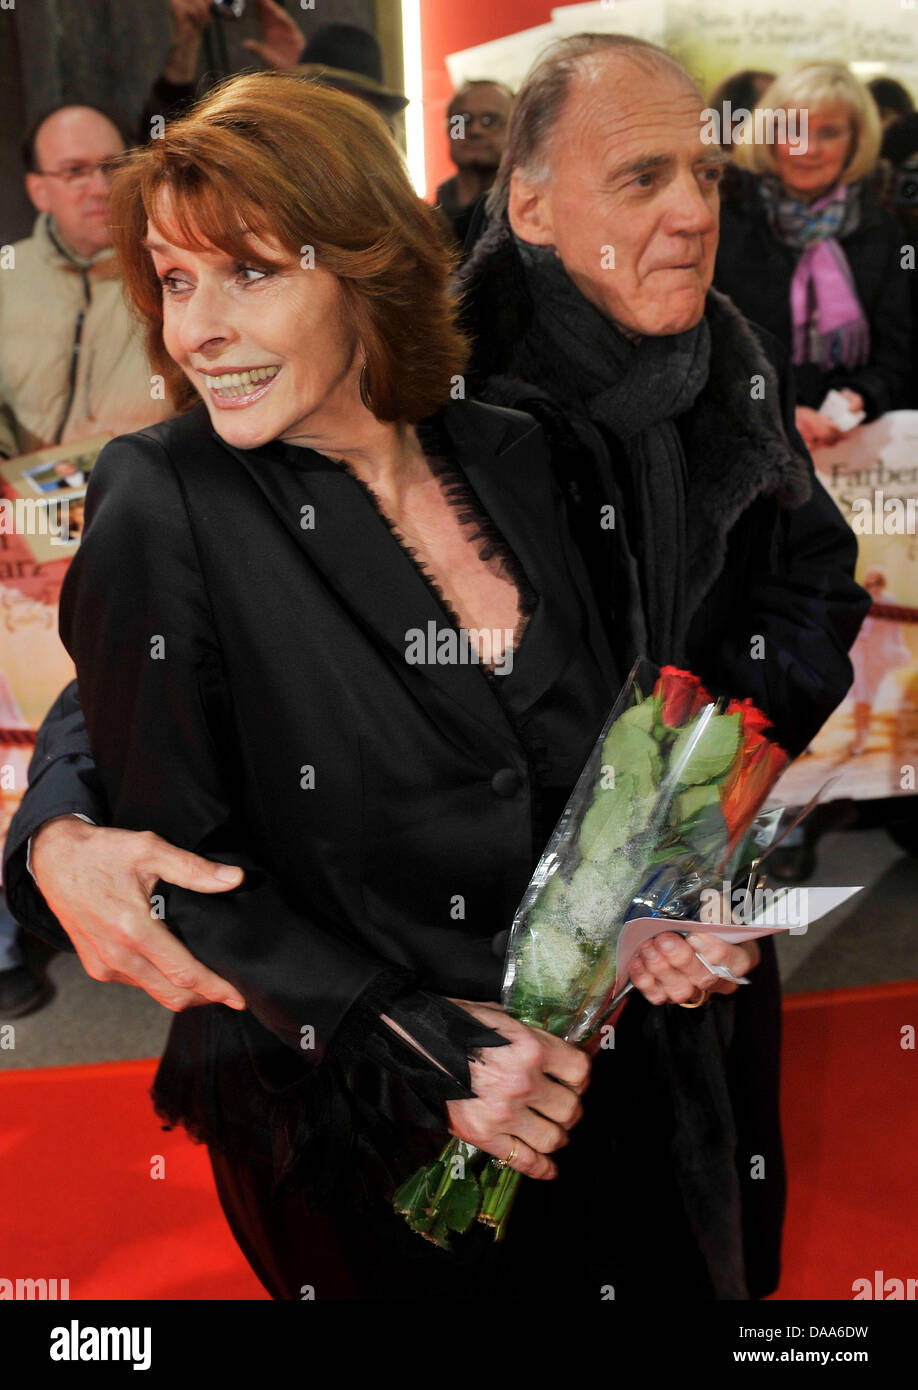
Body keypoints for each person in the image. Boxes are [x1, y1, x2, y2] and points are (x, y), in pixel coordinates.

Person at [5, 38, 869, 1300]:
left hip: (638, 1032)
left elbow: (802, 594)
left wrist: (685, 837)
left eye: (704, 176)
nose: (690, 212)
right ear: (527, 203)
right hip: (379, 1113)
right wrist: (58, 831)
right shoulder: (423, 378)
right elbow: (144, 698)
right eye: (640, 178)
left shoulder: (672, 385)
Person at [715, 62, 914, 455]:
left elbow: (900, 352)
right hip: (744, 444)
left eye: (829, 132)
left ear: (855, 141)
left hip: (853, 449)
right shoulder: (724, 221)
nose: (809, 148)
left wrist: (862, 396)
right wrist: (781, 409)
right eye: (794, 129)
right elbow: (709, 351)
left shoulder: (884, 230)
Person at [435, 80, 514, 246]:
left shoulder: (532, 218)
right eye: (462, 121)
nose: (475, 130)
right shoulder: (423, 221)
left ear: (516, 131)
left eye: (490, 121)